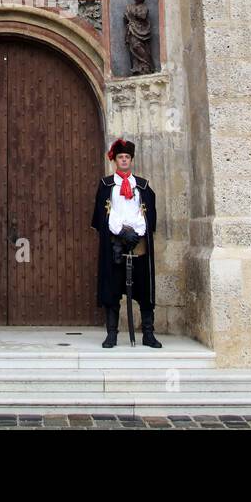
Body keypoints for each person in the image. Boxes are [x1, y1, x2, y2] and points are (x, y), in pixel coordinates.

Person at [90, 137, 160, 347]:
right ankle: (112, 333)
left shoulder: (143, 186)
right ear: (115, 160)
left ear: (131, 160)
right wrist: (121, 231)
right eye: (120, 157)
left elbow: (147, 212)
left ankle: (148, 333)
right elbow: (105, 214)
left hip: (138, 241)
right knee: (113, 286)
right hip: (115, 242)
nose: (123, 160)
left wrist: (136, 232)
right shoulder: (106, 185)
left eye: (127, 157)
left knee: (144, 286)